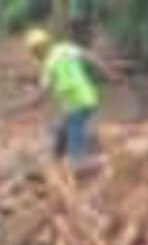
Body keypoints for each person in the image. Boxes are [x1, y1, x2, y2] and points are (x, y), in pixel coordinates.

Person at [28, 18, 104, 167]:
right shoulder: (65, 49)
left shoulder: (48, 65)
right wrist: (107, 71)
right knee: (64, 127)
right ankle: (56, 157)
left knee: (73, 127)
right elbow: (90, 58)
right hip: (88, 99)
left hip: (77, 104)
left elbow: (40, 95)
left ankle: (78, 161)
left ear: (36, 51)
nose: (36, 55)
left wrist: (21, 106)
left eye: (35, 52)